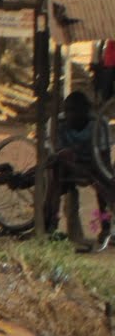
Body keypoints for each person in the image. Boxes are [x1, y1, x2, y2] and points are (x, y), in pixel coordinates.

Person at [43, 90, 115, 240]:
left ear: (86, 111)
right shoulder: (56, 123)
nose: (70, 115)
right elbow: (55, 155)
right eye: (67, 110)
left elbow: (104, 159)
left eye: (74, 110)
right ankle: (50, 225)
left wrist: (107, 181)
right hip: (67, 165)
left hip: (93, 165)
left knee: (104, 183)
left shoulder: (99, 124)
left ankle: (106, 226)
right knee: (55, 176)